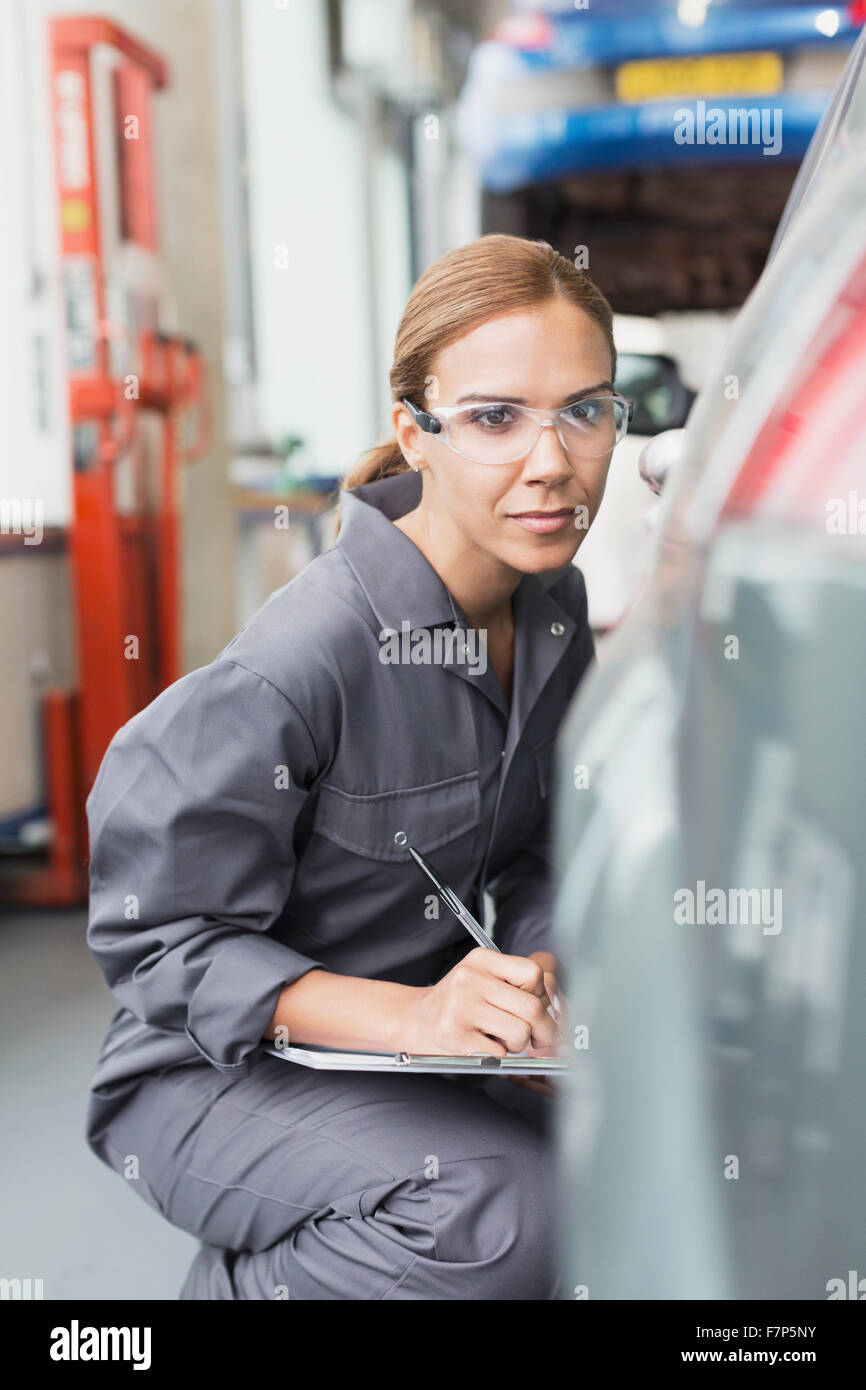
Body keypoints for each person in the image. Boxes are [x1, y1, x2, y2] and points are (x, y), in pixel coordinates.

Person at [83, 234, 629, 1299]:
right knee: (496, 1207)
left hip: (393, 1040)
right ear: (412, 435)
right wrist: (413, 1019)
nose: (551, 460)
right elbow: (155, 937)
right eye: (492, 418)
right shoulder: (305, 658)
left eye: (585, 409)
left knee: (648, 1136)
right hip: (205, 1070)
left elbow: (526, 856)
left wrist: (542, 970)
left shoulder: (550, 611)